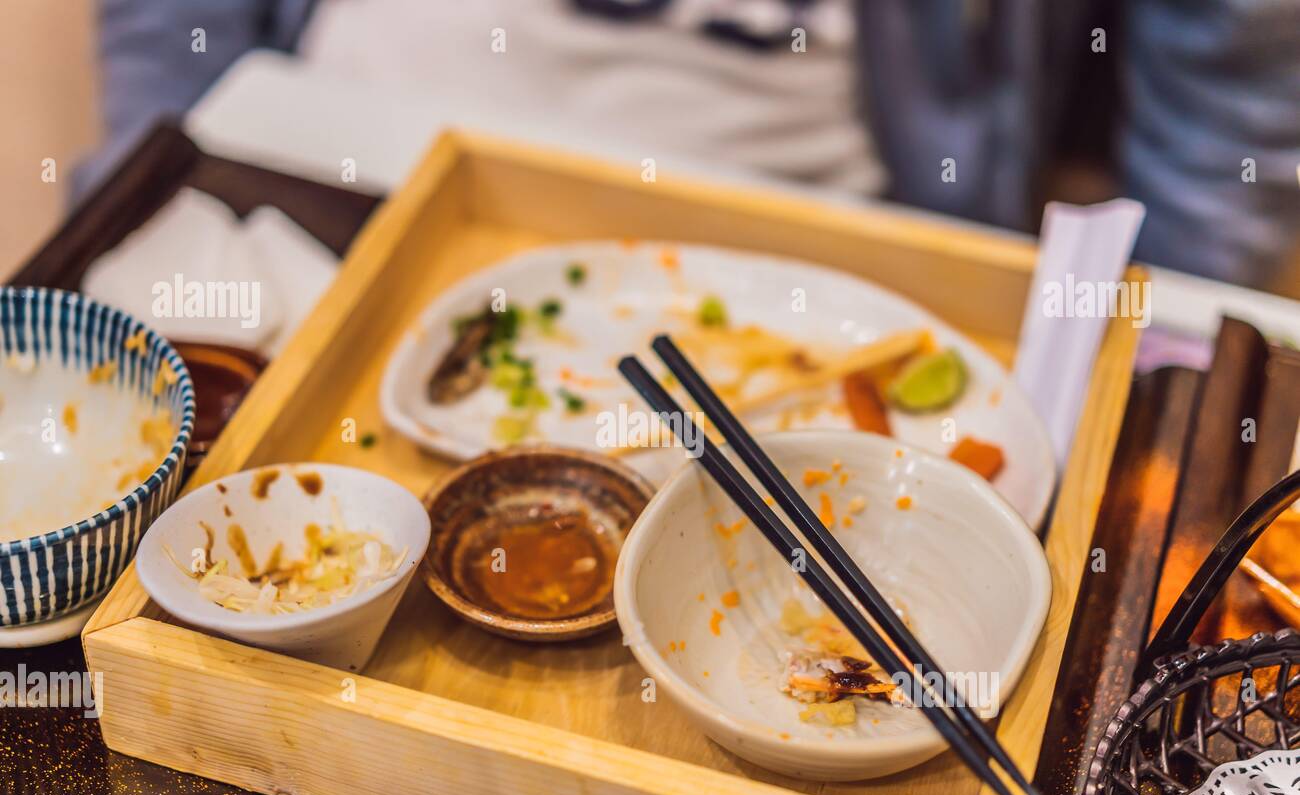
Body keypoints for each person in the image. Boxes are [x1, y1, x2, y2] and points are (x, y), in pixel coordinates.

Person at [79, 0, 1300, 289]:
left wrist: (1182, 349)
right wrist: (147, 171)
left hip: (807, 221)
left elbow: (1229, 90)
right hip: (314, 148)